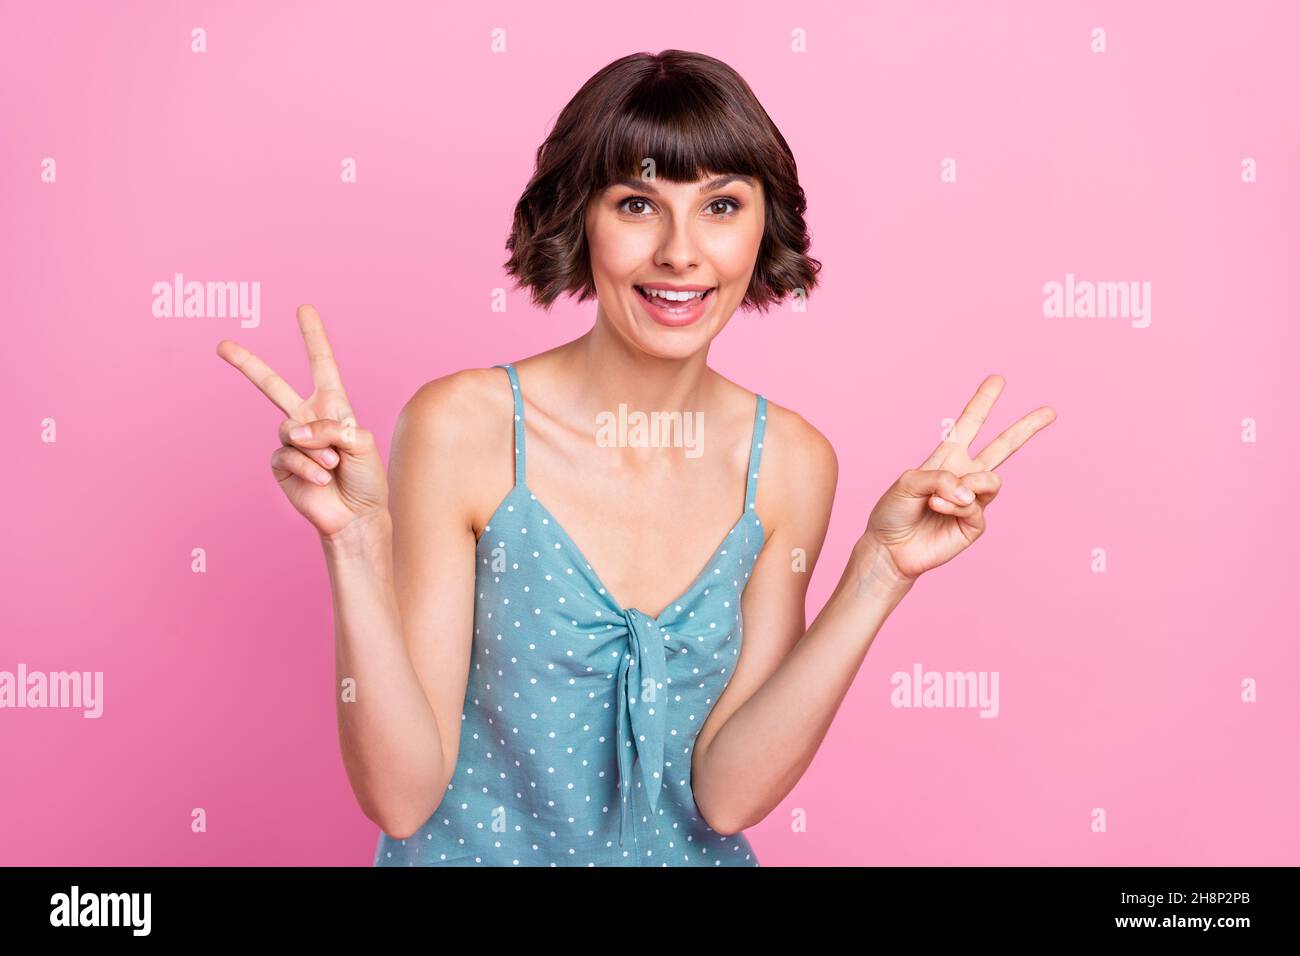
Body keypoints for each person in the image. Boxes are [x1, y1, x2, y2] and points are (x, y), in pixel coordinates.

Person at [216, 50, 1055, 866]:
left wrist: (880, 572)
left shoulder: (790, 463)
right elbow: (402, 799)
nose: (680, 253)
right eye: (637, 204)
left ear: (764, 226)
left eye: (721, 205)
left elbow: (728, 797)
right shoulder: (463, 428)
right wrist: (355, 540)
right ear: (580, 217)